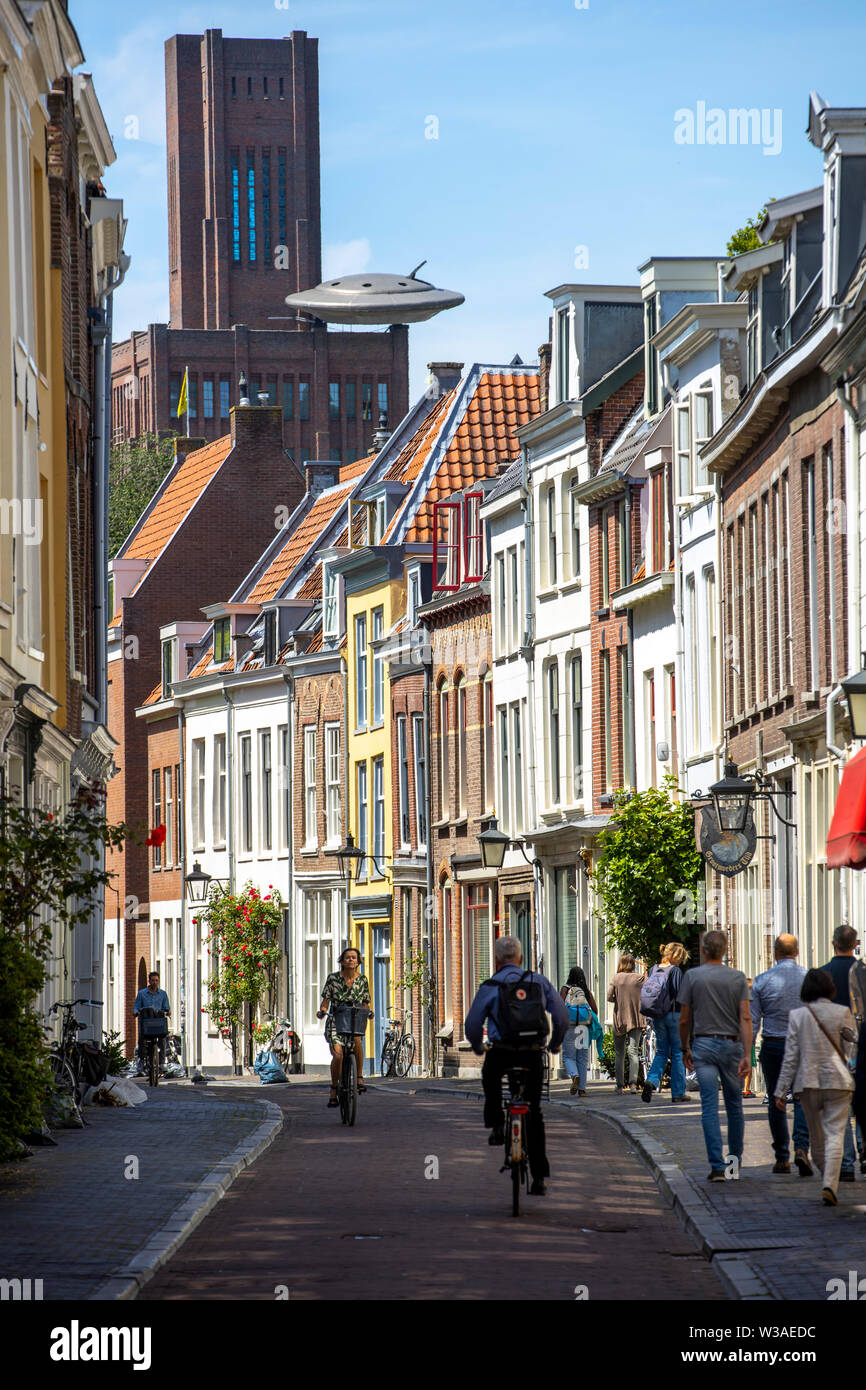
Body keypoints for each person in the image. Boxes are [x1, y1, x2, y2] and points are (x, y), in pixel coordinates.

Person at [465, 935, 569, 1195]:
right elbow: (561, 1015)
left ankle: (498, 1124)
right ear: (521, 959)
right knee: (534, 1112)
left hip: (501, 1052)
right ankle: (539, 1178)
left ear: (497, 960)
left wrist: (479, 1047)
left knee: (490, 1079)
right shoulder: (538, 981)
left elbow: (472, 1024)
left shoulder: (490, 985)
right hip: (532, 1052)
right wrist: (555, 1043)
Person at [775, 969, 857, 1206]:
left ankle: (827, 1181)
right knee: (836, 1135)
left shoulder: (798, 1016)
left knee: (817, 1139)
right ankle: (830, 1184)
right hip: (839, 1082)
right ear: (830, 988)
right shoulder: (842, 1013)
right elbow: (852, 1049)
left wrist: (781, 1091)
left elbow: (791, 1057)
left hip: (808, 1083)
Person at [678, 930, 751, 1182]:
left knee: (709, 1105)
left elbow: (685, 1018)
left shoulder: (692, 977)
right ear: (725, 950)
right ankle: (733, 1166)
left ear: (704, 950)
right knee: (734, 1106)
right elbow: (745, 1017)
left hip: (704, 1044)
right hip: (732, 1045)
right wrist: (748, 1054)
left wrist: (684, 1047)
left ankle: (717, 1167)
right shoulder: (737, 978)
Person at [750, 935, 812, 1176]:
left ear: (775, 952)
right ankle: (802, 1147)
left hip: (773, 1045)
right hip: (802, 1044)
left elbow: (754, 1020)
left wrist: (748, 1051)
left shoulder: (762, 981)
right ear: (797, 951)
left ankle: (782, 1156)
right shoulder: (808, 978)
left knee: (776, 1098)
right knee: (801, 1098)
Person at [820, 926, 861, 1182]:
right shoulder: (864, 973)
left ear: (832, 943)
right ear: (855, 943)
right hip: (862, 1044)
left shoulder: (823, 975)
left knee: (839, 1106)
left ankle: (846, 1163)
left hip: (833, 1046)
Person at [317, 947, 372, 1107]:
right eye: (347, 957)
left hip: (354, 1018)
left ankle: (359, 1077)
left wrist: (369, 1013)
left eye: (354, 958)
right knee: (339, 1055)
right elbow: (326, 1001)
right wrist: (322, 1011)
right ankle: (334, 1089)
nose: (351, 960)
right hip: (337, 1019)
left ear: (358, 962)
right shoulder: (333, 979)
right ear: (342, 961)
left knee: (357, 1041)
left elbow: (365, 1003)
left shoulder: (362, 980)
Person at [641, 942, 689, 1104]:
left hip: (657, 1016)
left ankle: (651, 1081)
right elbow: (679, 994)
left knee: (661, 1051)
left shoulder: (653, 969)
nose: (681, 961)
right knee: (677, 1052)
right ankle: (678, 1092)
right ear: (675, 956)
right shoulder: (675, 971)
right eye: (681, 957)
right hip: (673, 1015)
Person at [607, 953, 646, 1093]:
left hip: (620, 1019)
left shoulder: (616, 978)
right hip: (635, 1018)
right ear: (633, 964)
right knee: (633, 1051)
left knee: (619, 1053)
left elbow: (609, 997)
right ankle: (633, 1084)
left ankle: (619, 1086)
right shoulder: (639, 978)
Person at [560, 965, 598, 1097]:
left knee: (568, 1056)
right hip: (584, 1027)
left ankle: (574, 1075)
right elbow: (595, 1010)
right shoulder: (586, 991)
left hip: (569, 1026)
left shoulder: (565, 989)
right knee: (582, 1058)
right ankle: (582, 1090)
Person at [133, 971, 171, 1073]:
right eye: (153, 980)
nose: (155, 982)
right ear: (149, 981)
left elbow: (166, 1007)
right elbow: (136, 1006)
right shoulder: (142, 994)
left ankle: (162, 1063)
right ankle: (141, 1061)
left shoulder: (163, 994)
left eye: (156, 980)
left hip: (158, 1022)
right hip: (146, 1021)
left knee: (163, 1039)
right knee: (141, 1038)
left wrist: (168, 1011)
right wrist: (136, 1011)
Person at [742, 980, 756, 1097]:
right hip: (748, 1036)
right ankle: (746, 1089)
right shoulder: (753, 1003)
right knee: (749, 1061)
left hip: (736, 1037)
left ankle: (740, 1087)